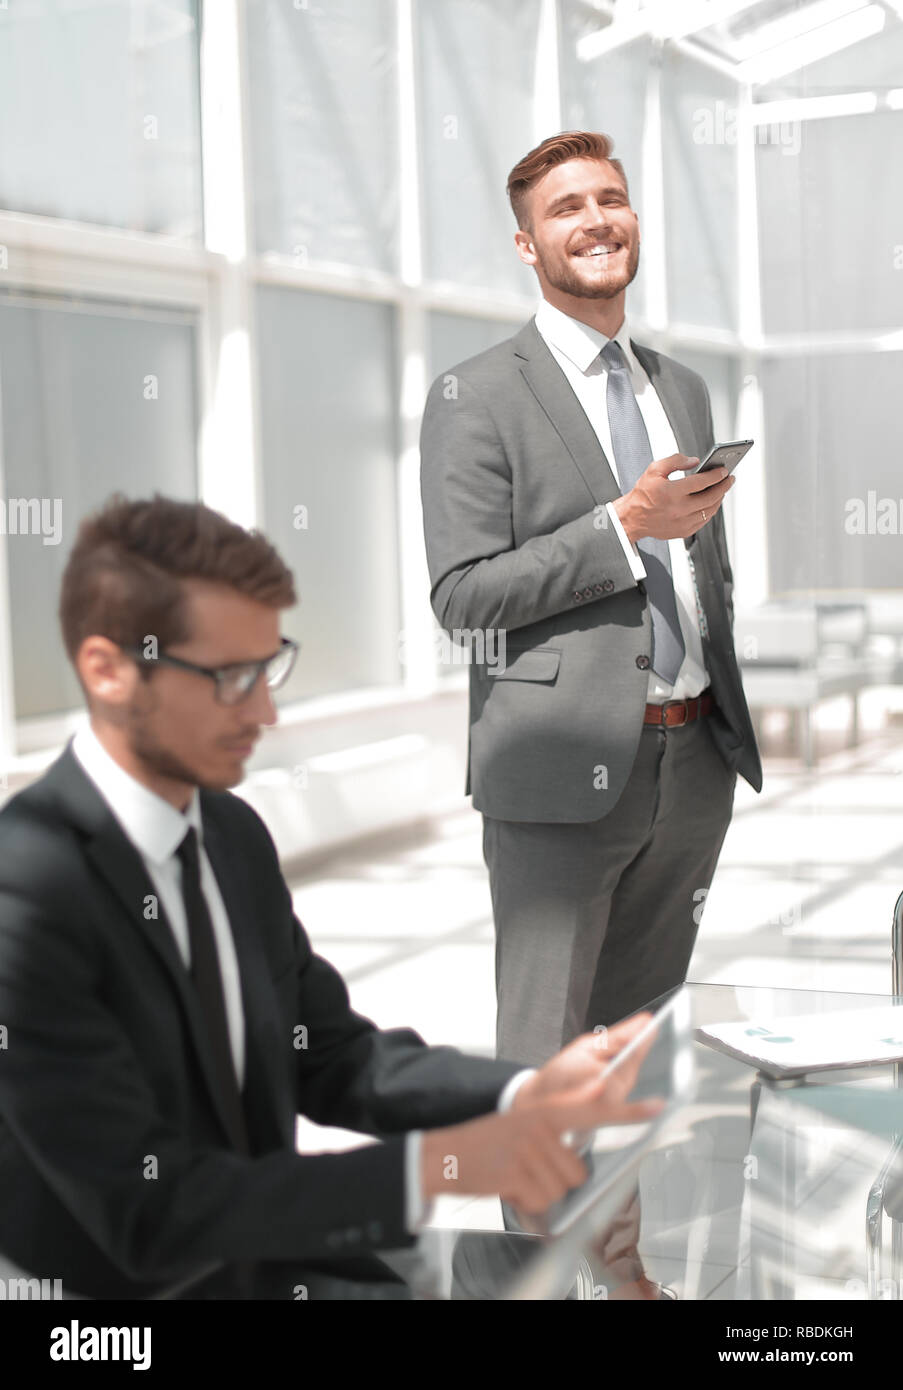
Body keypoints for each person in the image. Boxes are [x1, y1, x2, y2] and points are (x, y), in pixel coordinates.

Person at [0, 494, 660, 1302]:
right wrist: (443, 1164)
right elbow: (150, 1213)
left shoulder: (230, 833)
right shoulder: (25, 888)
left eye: (270, 666)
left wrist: (522, 1091)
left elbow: (332, 1054)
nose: (267, 711)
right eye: (231, 678)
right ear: (107, 669)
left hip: (266, 1255)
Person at [420, 131, 762, 1069]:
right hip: (559, 774)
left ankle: (623, 1221)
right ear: (527, 246)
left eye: (608, 198)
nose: (595, 220)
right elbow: (462, 596)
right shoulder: (476, 394)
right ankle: (534, 1228)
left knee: (639, 1051)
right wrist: (623, 527)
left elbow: (703, 570)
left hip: (695, 762)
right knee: (548, 1062)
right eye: (565, 208)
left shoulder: (678, 387)